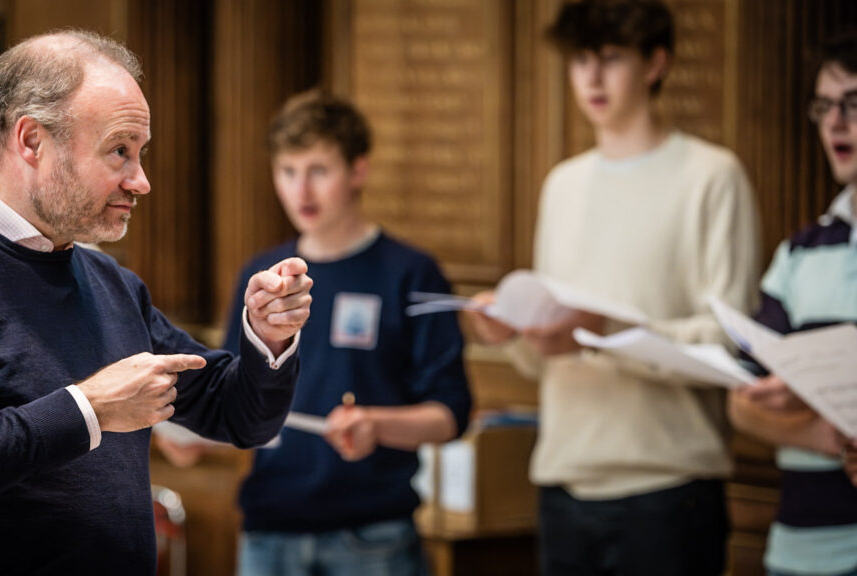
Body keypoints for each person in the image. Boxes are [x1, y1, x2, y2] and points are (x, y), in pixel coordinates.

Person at [0, 30, 312, 575]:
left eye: (141, 153)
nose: (142, 181)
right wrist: (87, 409)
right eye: (119, 150)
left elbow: (241, 416)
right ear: (32, 141)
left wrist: (268, 335)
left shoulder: (108, 280)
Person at [465, 1, 761, 574]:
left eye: (610, 58)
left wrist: (606, 331)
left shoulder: (711, 176)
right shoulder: (563, 185)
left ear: (655, 63)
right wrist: (510, 332)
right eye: (580, 60)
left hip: (669, 490)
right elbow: (543, 360)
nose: (592, 78)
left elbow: (730, 345)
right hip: (563, 483)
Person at [223, 89, 472, 576]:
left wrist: (376, 426)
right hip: (268, 533)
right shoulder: (262, 275)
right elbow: (231, 397)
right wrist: (197, 433)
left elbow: (451, 413)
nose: (302, 191)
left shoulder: (410, 273)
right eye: (288, 172)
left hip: (372, 537)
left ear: (358, 171)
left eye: (319, 170)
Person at [728, 32, 857, 576]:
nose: (835, 122)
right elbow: (743, 403)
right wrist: (822, 434)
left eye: (853, 103)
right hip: (798, 554)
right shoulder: (800, 251)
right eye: (825, 106)